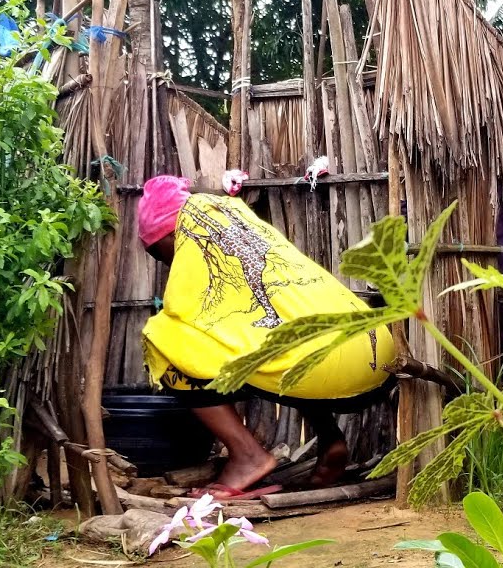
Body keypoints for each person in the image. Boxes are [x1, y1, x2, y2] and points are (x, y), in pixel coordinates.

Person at [136, 175, 396, 499]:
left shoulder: (197, 240)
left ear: (173, 234)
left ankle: (247, 456)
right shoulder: (243, 224)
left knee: (163, 341)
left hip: (327, 369)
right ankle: (330, 438)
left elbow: (178, 313)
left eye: (160, 253)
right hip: (378, 358)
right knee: (282, 339)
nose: (166, 263)